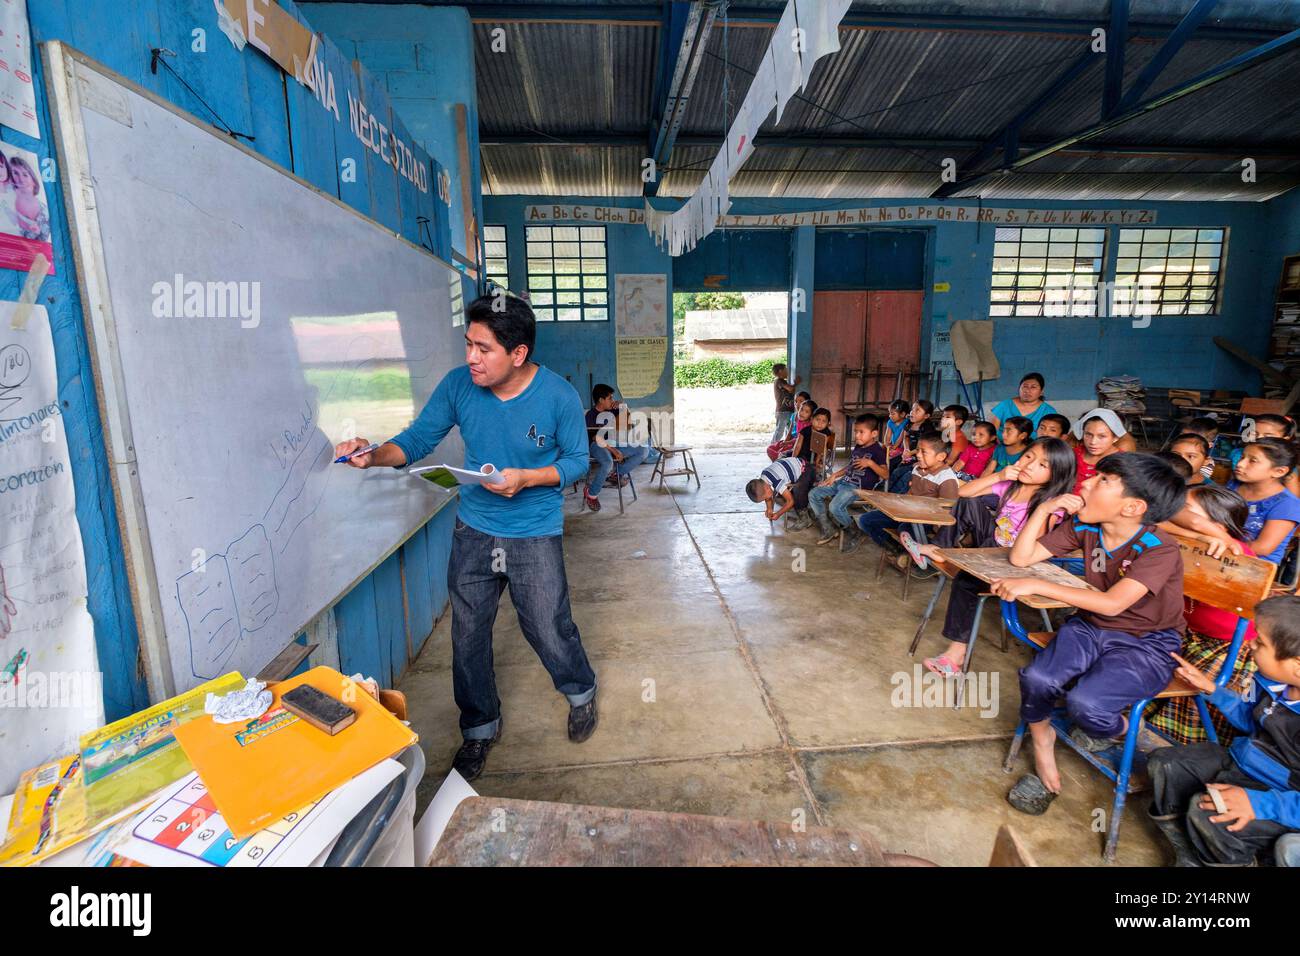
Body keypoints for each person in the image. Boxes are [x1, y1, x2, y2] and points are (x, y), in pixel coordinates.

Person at [333, 295, 597, 781]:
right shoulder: (459, 386)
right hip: (474, 528)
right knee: (468, 634)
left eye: (483, 348)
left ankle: (580, 693)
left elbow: (579, 462)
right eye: (468, 345)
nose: (470, 358)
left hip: (534, 531)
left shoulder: (557, 395)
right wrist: (373, 455)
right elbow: (414, 442)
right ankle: (479, 727)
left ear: (517, 354)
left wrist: (528, 477)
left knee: (546, 624)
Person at [997, 454, 1187, 814]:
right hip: (1090, 626)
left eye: (1102, 481)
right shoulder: (1087, 528)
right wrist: (1044, 509)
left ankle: (1121, 728)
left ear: (1132, 507)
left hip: (1148, 642)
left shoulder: (1159, 547)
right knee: (1038, 677)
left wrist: (1039, 584)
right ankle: (1042, 739)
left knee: (1088, 705)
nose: (1084, 483)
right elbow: (1021, 559)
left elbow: (1114, 604)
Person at [1147, 595, 1300, 867]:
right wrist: (1212, 690)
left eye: (1260, 642)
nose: (1250, 644)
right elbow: (1250, 717)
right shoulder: (1269, 680)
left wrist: (1260, 805)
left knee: (1209, 815)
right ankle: (1188, 853)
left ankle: (1235, 861)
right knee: (1166, 764)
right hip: (1241, 764)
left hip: (1283, 799)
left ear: (1297, 666)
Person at [912, 438, 1076, 676]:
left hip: (1018, 562)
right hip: (993, 545)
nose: (1030, 466)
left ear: (1056, 475)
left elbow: (1032, 551)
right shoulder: (1011, 485)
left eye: (1043, 465)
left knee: (965, 581)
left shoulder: (1051, 504)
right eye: (1029, 457)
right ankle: (940, 547)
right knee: (969, 503)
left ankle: (955, 655)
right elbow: (962, 492)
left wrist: (1043, 511)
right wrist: (1000, 476)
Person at [1149, 484, 1259, 744]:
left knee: (1185, 688)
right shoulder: (1191, 542)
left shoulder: (1236, 553)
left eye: (1186, 510)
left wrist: (1207, 532)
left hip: (1226, 648)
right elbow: (1153, 521)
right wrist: (1201, 533)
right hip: (1187, 633)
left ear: (1219, 525)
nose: (1177, 514)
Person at [857, 434, 958, 553]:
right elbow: (911, 493)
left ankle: (916, 555)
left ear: (941, 456)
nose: (918, 455)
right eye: (918, 450)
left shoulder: (946, 479)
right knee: (866, 520)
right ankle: (896, 549)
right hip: (908, 513)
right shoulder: (918, 469)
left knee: (904, 529)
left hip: (927, 521)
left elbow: (945, 512)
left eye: (924, 452)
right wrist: (897, 505)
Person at [810, 413, 887, 551]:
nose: (857, 435)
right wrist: (835, 475)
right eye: (856, 432)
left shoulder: (878, 451)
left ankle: (855, 531)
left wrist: (870, 463)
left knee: (835, 507)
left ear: (874, 433)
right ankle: (829, 528)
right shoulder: (858, 447)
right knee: (814, 493)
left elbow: (886, 475)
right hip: (843, 484)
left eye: (861, 432)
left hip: (858, 488)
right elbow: (850, 466)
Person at [1229, 437, 1300, 564]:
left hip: (1253, 565)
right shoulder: (1234, 485)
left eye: (1253, 461)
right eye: (1242, 457)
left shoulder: (1287, 504)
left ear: (1279, 471)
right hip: (1221, 552)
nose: (1240, 464)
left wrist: (1217, 538)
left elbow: (1262, 548)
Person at [582, 384, 649, 512]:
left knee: (643, 450)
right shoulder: (590, 415)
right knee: (608, 462)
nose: (613, 401)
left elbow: (628, 423)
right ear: (601, 400)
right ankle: (591, 494)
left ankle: (616, 474)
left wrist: (624, 407)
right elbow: (596, 438)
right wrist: (613, 450)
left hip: (613, 443)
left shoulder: (612, 410)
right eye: (610, 398)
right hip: (597, 445)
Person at [1071, 408, 1125, 493]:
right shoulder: (1072, 454)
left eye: (1102, 436)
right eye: (1088, 434)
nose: (1093, 442)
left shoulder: (1122, 462)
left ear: (1115, 437)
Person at [887, 399, 937, 493]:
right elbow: (906, 437)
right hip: (908, 454)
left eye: (917, 410)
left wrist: (910, 453)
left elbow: (922, 447)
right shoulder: (909, 424)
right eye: (912, 409)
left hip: (920, 458)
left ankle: (892, 494)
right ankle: (885, 490)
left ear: (926, 416)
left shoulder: (927, 428)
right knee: (890, 465)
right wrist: (906, 449)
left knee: (900, 473)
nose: (912, 412)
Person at [987, 372, 1058, 436]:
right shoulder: (1005, 405)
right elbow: (991, 433)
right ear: (1019, 388)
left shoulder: (1048, 411)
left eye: (1033, 387)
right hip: (1003, 447)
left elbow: (1051, 437)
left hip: (1034, 448)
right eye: (1025, 386)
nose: (1027, 390)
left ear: (1041, 392)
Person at [747, 456, 806, 523]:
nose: (765, 500)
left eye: (764, 498)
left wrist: (778, 514)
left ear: (766, 488)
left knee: (798, 498)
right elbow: (768, 497)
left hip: (804, 468)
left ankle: (805, 517)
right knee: (776, 494)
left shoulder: (776, 482)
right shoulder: (764, 476)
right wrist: (769, 509)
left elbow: (790, 501)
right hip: (794, 461)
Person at [771, 363, 800, 443]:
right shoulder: (779, 381)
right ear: (780, 371)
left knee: (788, 431)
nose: (787, 371)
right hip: (783, 411)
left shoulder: (782, 381)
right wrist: (796, 383)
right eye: (785, 370)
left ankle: (785, 446)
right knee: (780, 431)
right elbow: (790, 389)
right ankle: (772, 447)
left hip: (786, 411)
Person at [940, 404, 970, 469]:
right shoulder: (945, 434)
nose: (943, 419)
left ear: (958, 422)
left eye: (947, 417)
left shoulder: (960, 439)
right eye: (943, 416)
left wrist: (932, 468)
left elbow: (950, 461)